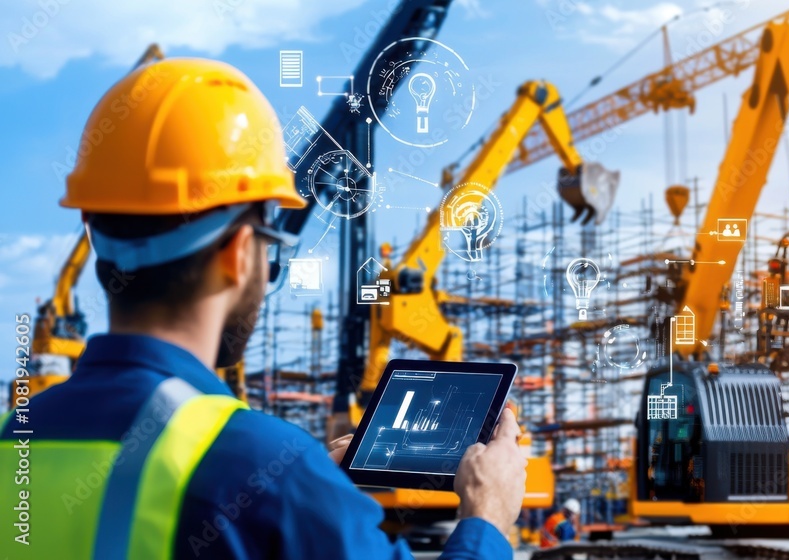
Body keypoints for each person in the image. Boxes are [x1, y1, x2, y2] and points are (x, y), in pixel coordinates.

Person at [0, 58, 526, 559]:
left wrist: (301, 484)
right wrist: (487, 516)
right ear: (237, 253)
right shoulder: (264, 471)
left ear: (94, 234)